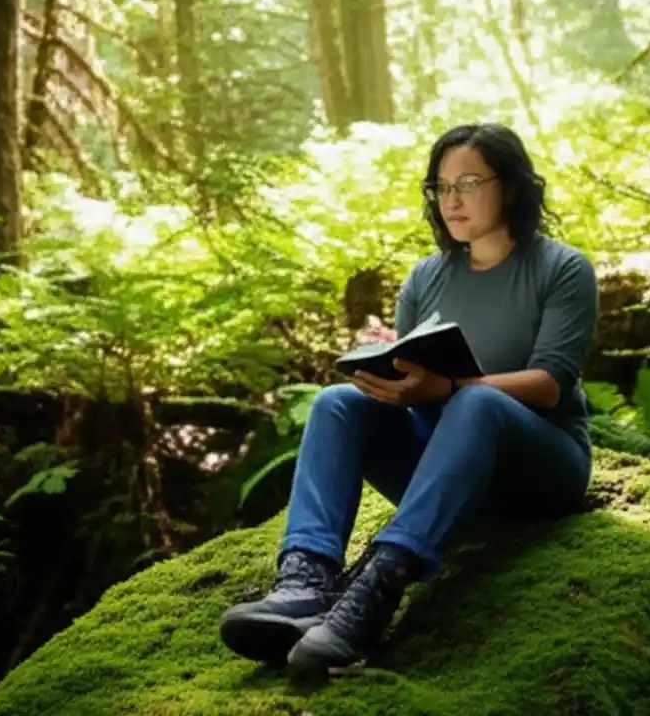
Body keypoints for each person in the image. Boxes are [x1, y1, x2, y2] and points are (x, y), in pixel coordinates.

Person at [218, 122, 599, 675]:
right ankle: (306, 581)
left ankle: (376, 590)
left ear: (512, 187)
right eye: (441, 188)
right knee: (334, 404)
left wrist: (450, 389)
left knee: (477, 404)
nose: (453, 200)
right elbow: (412, 386)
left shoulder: (562, 268)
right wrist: (385, 383)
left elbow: (549, 384)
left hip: (542, 467)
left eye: (469, 182)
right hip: (447, 474)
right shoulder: (426, 278)